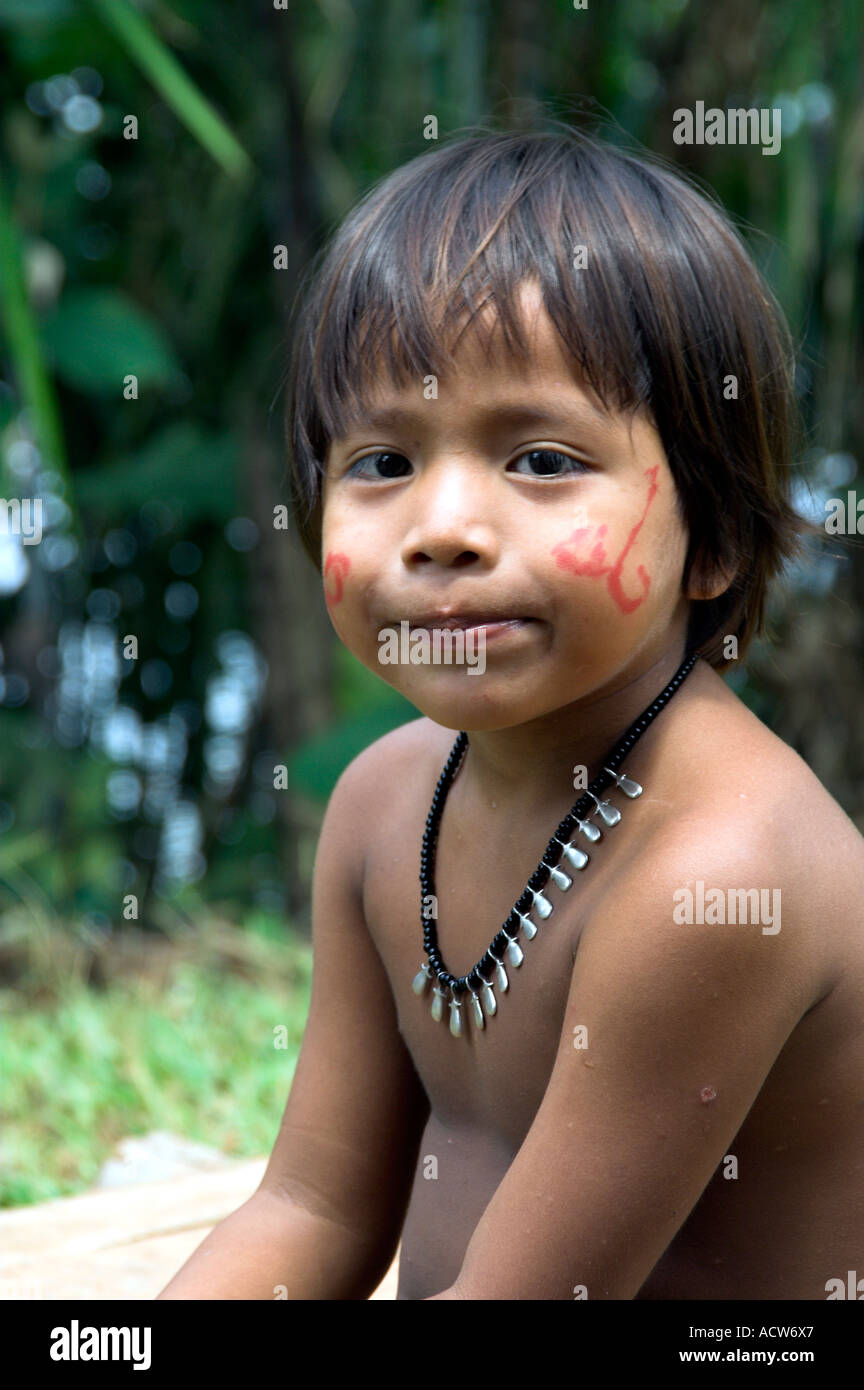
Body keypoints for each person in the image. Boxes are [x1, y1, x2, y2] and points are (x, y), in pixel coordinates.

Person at [158, 124, 864, 1301]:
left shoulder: (717, 877)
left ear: (718, 538)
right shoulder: (386, 804)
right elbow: (314, 1206)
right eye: (380, 462)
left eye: (540, 459)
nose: (441, 526)